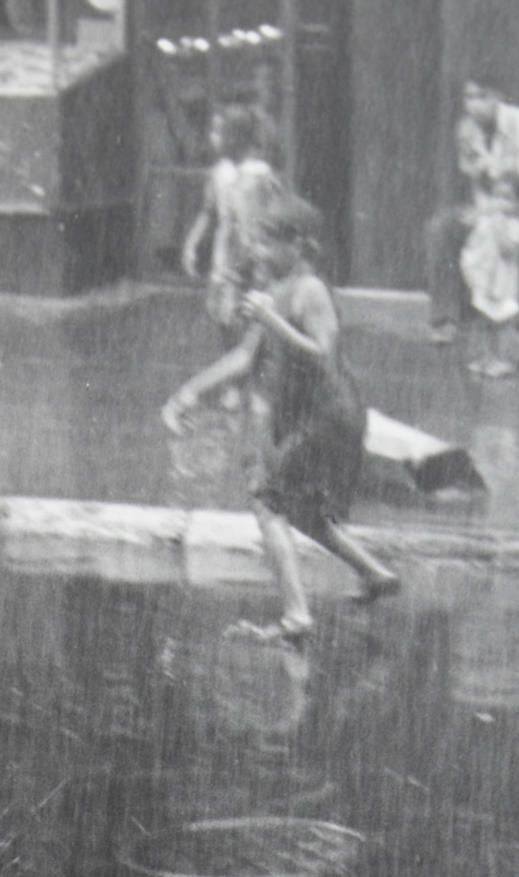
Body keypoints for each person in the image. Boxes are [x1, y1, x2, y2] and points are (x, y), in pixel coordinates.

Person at [163, 194, 398, 645]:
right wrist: (187, 393)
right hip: (313, 415)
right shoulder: (274, 291)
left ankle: (296, 618)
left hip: (330, 413)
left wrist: (273, 320)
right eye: (254, 244)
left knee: (268, 500)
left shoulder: (309, 290)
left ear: (299, 246)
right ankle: (376, 575)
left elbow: (323, 355)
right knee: (305, 510)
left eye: (267, 245)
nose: (257, 254)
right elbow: (244, 356)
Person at [425, 71, 519, 370]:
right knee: (441, 227)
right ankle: (445, 319)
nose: (474, 105)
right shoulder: (466, 129)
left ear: (498, 96)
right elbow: (476, 181)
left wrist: (500, 209)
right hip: (491, 202)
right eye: (469, 97)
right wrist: (484, 210)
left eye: (482, 97)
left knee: (514, 233)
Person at [179, 106, 280, 342]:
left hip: (248, 261)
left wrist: (253, 260)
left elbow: (264, 222)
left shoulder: (258, 176)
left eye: (219, 132)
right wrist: (191, 244)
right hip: (226, 258)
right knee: (226, 319)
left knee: (247, 320)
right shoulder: (219, 173)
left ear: (234, 138)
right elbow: (208, 211)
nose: (213, 138)